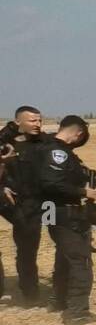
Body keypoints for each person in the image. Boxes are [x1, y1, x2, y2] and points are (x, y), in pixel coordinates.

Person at [34, 115, 96, 325]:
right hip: (63, 212)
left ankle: (58, 300)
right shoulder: (58, 152)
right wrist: (84, 191)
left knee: (64, 256)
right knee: (80, 261)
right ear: (78, 133)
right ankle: (77, 313)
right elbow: (51, 184)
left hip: (51, 211)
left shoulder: (45, 147)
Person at [0, 106, 53, 304]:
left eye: (39, 120)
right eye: (32, 121)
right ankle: (18, 290)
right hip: (9, 200)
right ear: (18, 123)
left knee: (33, 246)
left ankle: (39, 289)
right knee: (25, 249)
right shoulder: (6, 145)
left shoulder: (46, 142)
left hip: (37, 204)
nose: (37, 124)